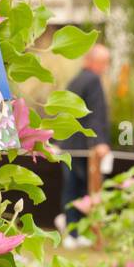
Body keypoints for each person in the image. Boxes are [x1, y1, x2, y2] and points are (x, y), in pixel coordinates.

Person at [55, 44, 110, 245]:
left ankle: (73, 231)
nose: (105, 67)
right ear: (91, 60)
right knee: (79, 190)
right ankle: (72, 232)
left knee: (72, 188)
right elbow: (97, 114)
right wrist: (100, 142)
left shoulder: (76, 80)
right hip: (81, 146)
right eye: (104, 62)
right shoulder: (93, 80)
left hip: (68, 144)